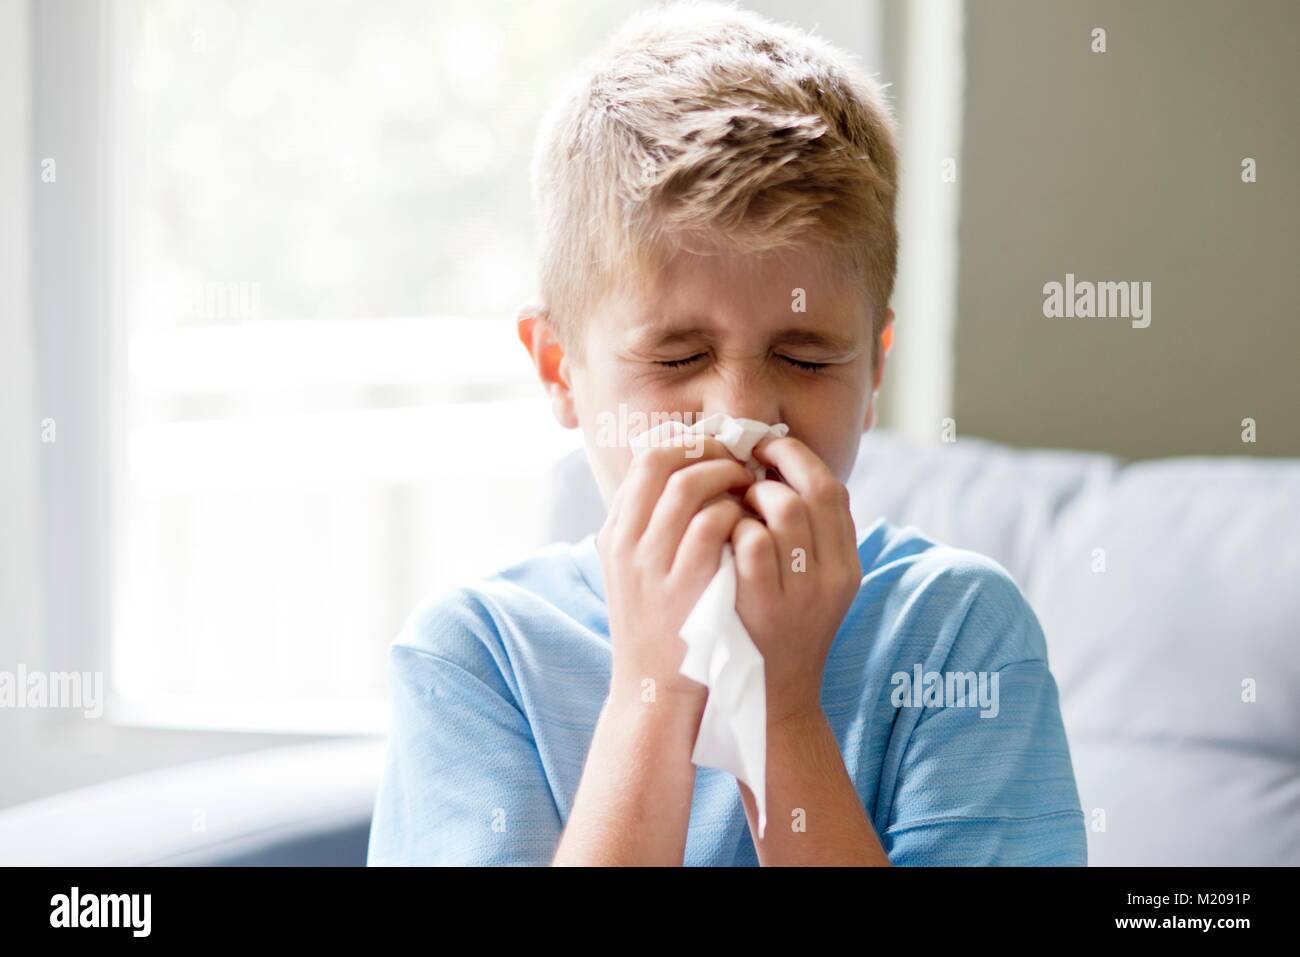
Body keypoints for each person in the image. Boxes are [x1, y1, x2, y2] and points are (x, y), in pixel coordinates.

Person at [367, 0, 1086, 866]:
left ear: (873, 373)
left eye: (806, 356)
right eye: (678, 357)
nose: (742, 417)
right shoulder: (477, 656)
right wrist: (653, 689)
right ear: (561, 368)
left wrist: (780, 708)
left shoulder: (961, 632)